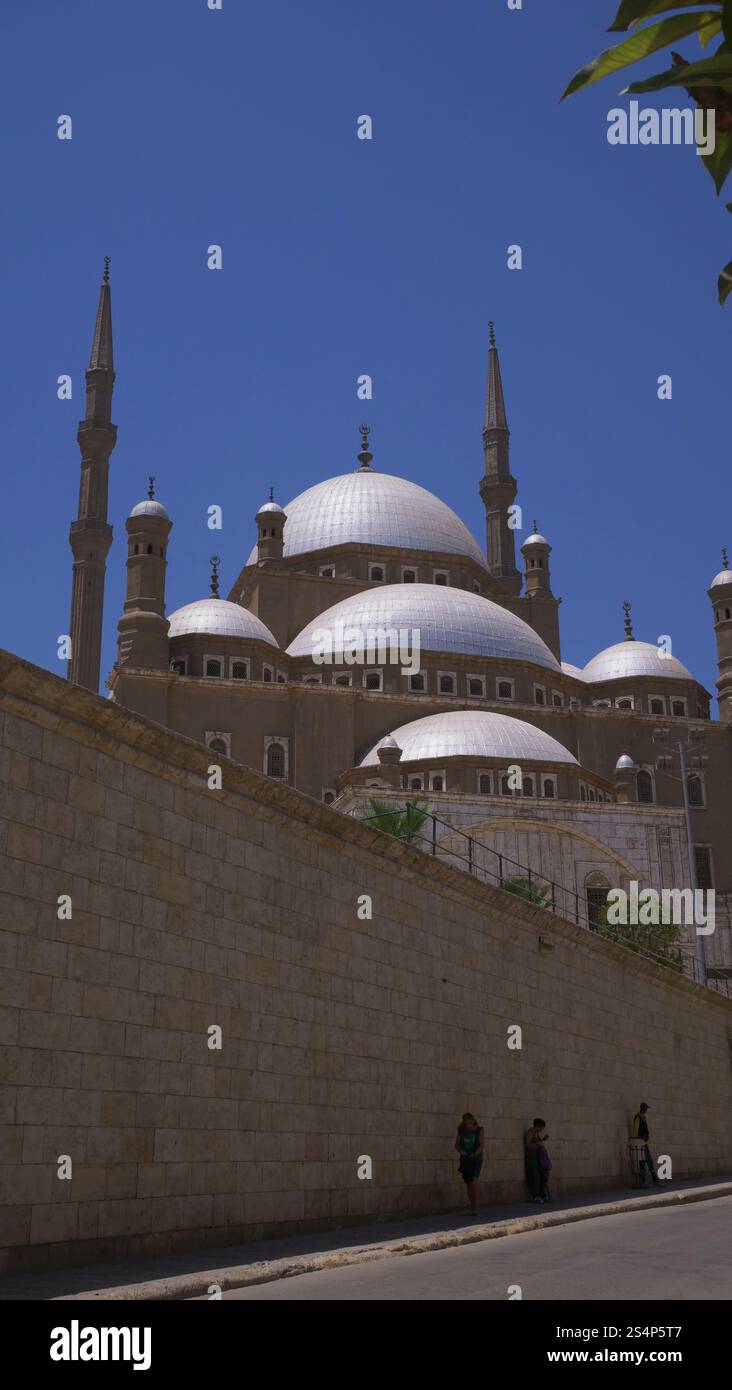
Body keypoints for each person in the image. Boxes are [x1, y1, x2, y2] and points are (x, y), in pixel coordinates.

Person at [455, 1112, 484, 1214]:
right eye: (466, 1123)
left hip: (476, 1159)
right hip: (465, 1159)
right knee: (468, 1183)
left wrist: (475, 1154)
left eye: (469, 1122)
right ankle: (472, 1205)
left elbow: (481, 1145)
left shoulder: (479, 1130)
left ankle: (475, 1206)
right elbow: (457, 1145)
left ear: (473, 1121)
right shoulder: (461, 1131)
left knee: (474, 1180)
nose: (468, 1125)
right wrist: (461, 1151)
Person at [631, 1102, 659, 1187]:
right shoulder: (638, 1117)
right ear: (644, 1109)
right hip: (640, 1143)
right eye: (646, 1109)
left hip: (644, 1142)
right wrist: (637, 1140)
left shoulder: (643, 1117)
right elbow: (635, 1130)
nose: (647, 1110)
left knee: (648, 1159)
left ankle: (654, 1178)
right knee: (642, 1161)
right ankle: (643, 1181)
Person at [525, 1118, 550, 1203]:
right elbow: (528, 1145)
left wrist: (543, 1140)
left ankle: (542, 1195)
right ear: (537, 1126)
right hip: (531, 1157)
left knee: (541, 1175)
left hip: (538, 1157)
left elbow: (538, 1144)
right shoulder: (530, 1133)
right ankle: (535, 1196)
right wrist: (538, 1143)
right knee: (534, 1176)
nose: (542, 1129)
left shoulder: (536, 1133)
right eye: (541, 1127)